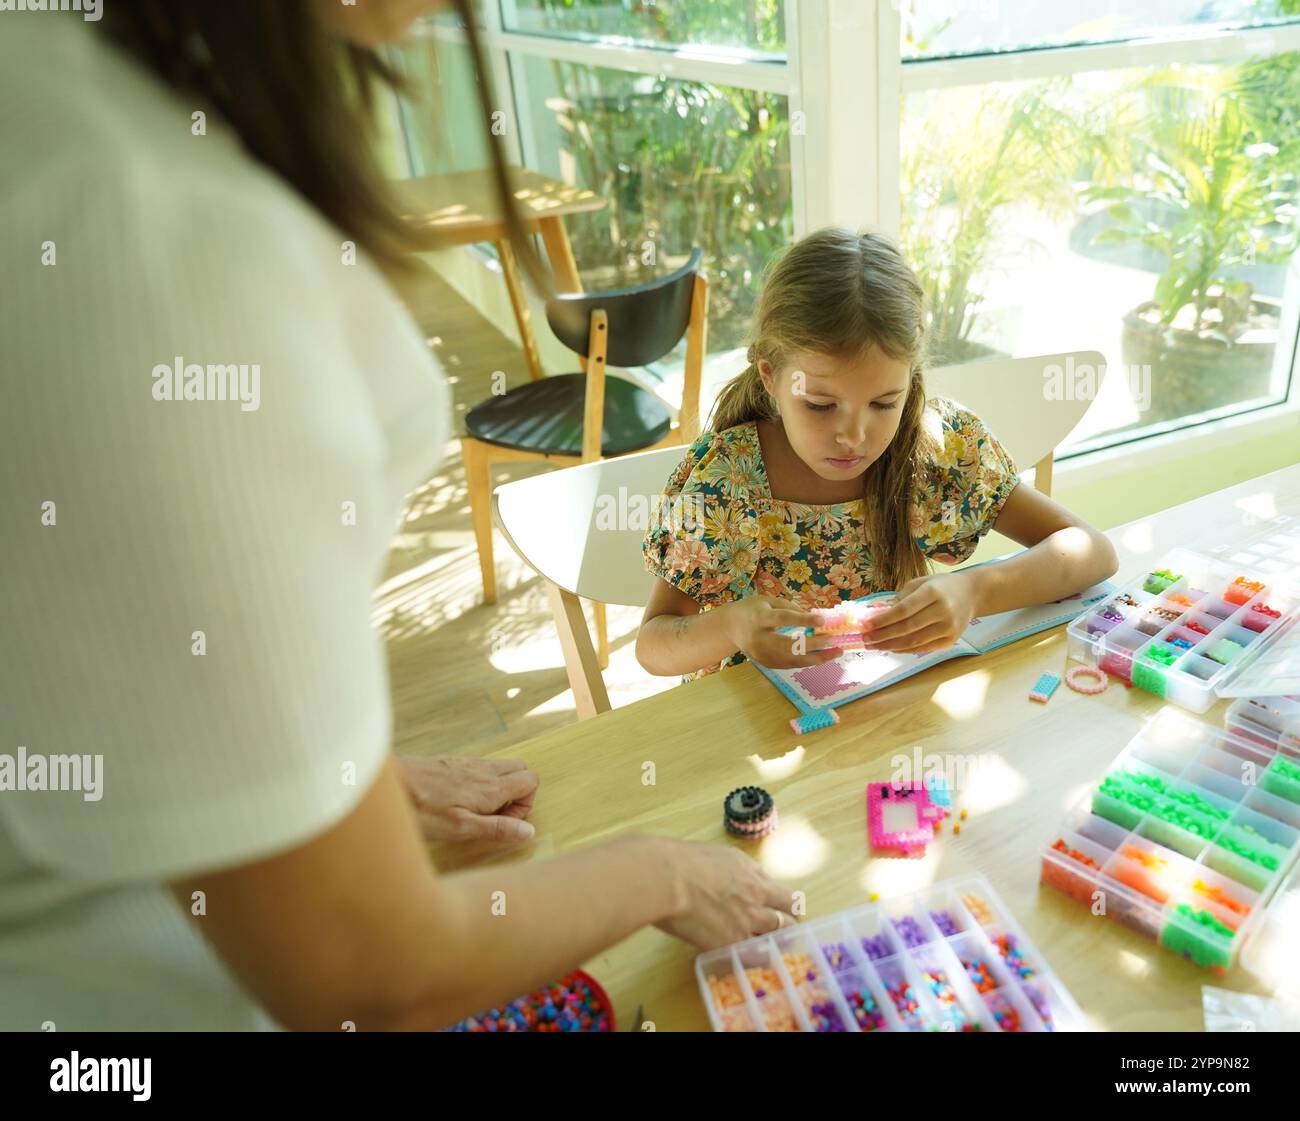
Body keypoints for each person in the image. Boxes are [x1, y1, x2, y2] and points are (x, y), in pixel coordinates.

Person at [0, 0, 793, 1032]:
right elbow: (367, 967)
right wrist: (662, 872)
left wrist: (315, 799)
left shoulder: (67, 102)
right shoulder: (135, 223)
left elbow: (86, 668)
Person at [637, 228, 1119, 678]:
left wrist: (974, 591)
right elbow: (654, 645)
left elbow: (1091, 551)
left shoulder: (936, 448)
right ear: (770, 376)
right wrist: (730, 627)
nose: (853, 436)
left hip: (889, 700)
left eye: (885, 403)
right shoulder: (729, 479)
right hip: (758, 717)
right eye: (821, 405)